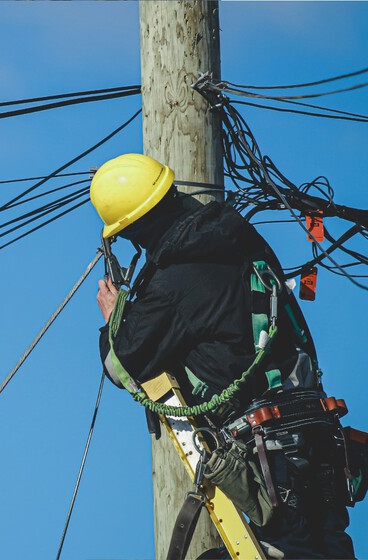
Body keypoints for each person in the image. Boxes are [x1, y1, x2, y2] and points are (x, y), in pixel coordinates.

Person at [91, 153, 356, 559]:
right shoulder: (240, 238)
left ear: (131, 231)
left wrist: (114, 320)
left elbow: (124, 363)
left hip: (269, 448)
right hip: (317, 429)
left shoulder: (173, 281)